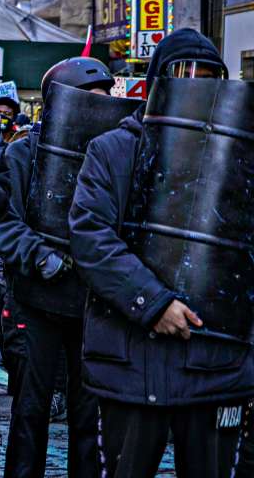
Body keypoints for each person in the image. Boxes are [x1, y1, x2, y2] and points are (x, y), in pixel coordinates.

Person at [69, 29, 252, 478]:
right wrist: (152, 303)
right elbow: (91, 236)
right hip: (132, 363)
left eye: (208, 78)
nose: (195, 87)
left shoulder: (239, 158)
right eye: (183, 76)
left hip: (213, 365)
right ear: (154, 83)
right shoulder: (113, 150)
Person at [0, 57, 118, 476]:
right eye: (88, 101)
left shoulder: (114, 156)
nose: (98, 110)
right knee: (30, 410)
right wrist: (38, 255)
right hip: (35, 300)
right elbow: (2, 220)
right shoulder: (23, 152)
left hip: (91, 305)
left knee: (89, 417)